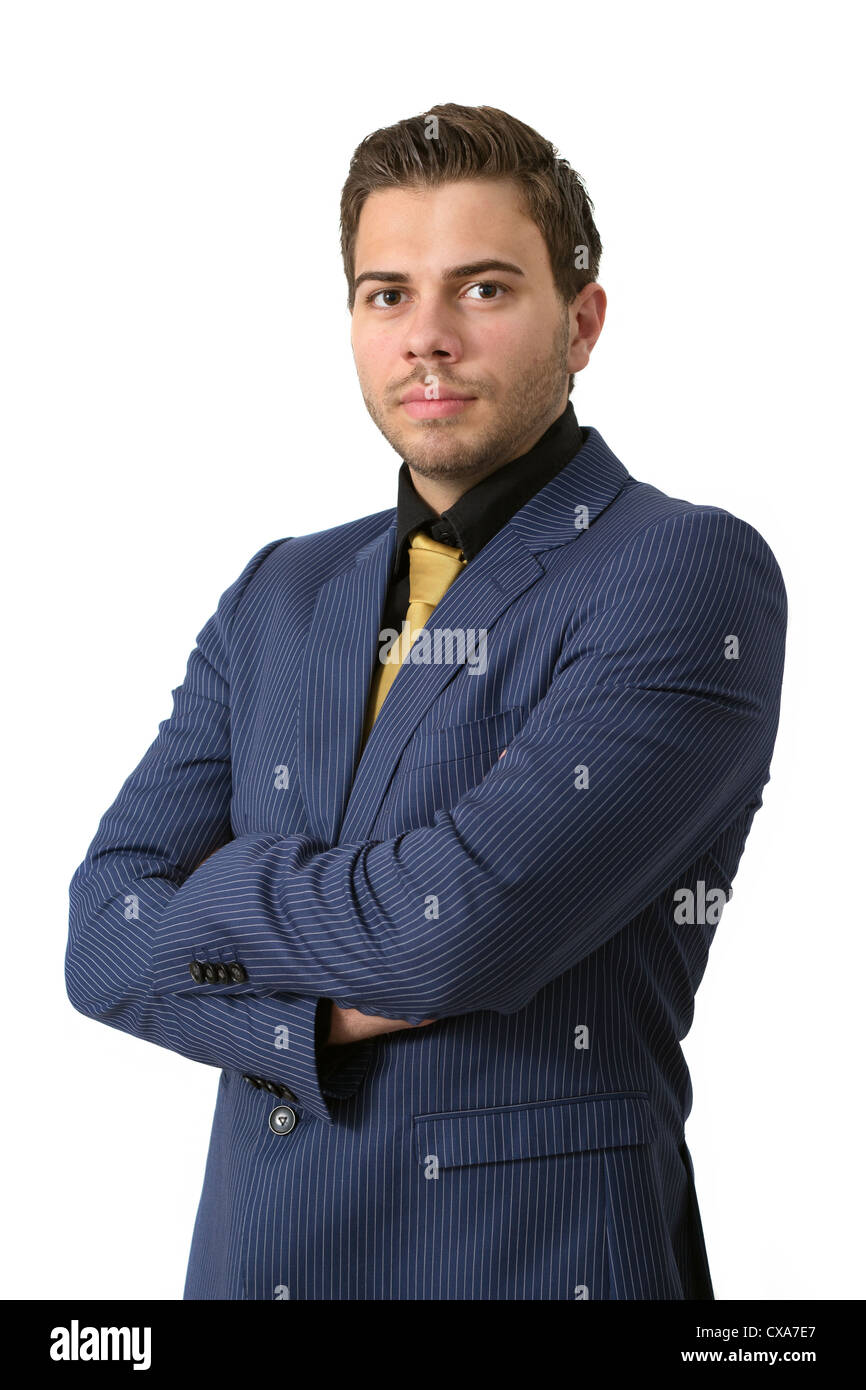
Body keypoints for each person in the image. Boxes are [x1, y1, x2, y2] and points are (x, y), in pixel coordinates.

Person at [67, 103, 787, 1300]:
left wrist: (223, 886)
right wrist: (317, 1020)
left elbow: (451, 931)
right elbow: (100, 936)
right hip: (252, 1271)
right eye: (386, 294)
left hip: (523, 1268)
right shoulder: (280, 589)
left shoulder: (680, 569)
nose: (427, 338)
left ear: (582, 319)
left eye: (485, 289)